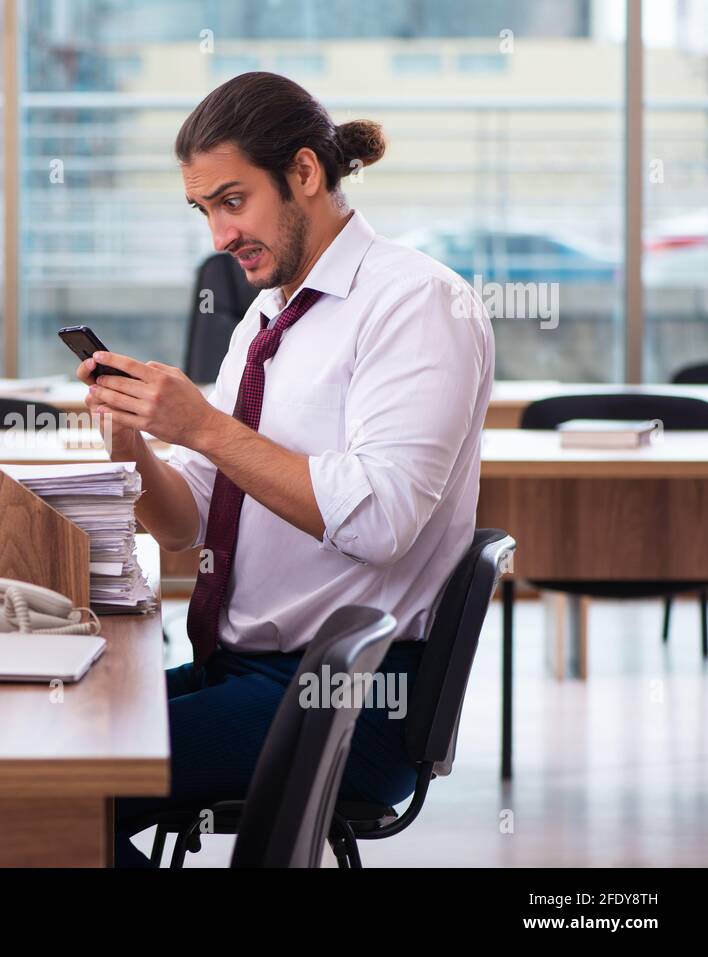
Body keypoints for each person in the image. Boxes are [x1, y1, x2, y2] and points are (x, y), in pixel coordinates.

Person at [75, 72, 494, 867]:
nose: (218, 236)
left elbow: (380, 521)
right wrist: (131, 442)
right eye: (204, 211)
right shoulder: (267, 318)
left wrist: (201, 424)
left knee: (46, 792)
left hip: (347, 699)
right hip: (246, 673)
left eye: (233, 201)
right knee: (30, 761)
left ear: (304, 173)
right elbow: (187, 524)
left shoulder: (419, 304)